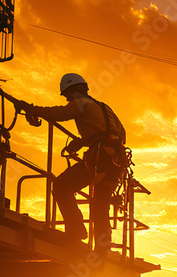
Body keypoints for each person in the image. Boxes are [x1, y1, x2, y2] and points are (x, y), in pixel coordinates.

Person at [15, 74, 127, 252]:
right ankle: (102, 249)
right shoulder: (104, 108)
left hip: (102, 158)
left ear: (77, 90)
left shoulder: (81, 104)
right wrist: (84, 141)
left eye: (68, 95)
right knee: (101, 203)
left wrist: (29, 108)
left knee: (61, 186)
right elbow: (121, 133)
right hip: (116, 160)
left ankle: (76, 231)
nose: (69, 100)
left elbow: (57, 113)